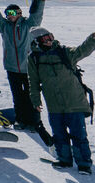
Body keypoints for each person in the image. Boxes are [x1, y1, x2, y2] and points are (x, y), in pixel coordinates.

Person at [28, 27, 95, 174]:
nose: (49, 41)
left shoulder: (65, 52)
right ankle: (64, 160)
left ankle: (84, 163)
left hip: (74, 102)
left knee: (79, 134)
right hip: (54, 104)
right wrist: (35, 100)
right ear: (37, 42)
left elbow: (82, 50)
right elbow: (32, 81)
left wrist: (93, 38)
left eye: (50, 37)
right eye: (44, 39)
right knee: (59, 134)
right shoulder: (34, 58)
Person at [0, 0, 46, 131]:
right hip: (11, 67)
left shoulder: (28, 25)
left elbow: (36, 16)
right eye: (8, 12)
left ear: (19, 13)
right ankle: (21, 120)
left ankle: (34, 122)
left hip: (28, 68)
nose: (10, 15)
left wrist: (40, 0)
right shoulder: (4, 26)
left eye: (13, 12)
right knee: (18, 97)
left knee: (31, 96)